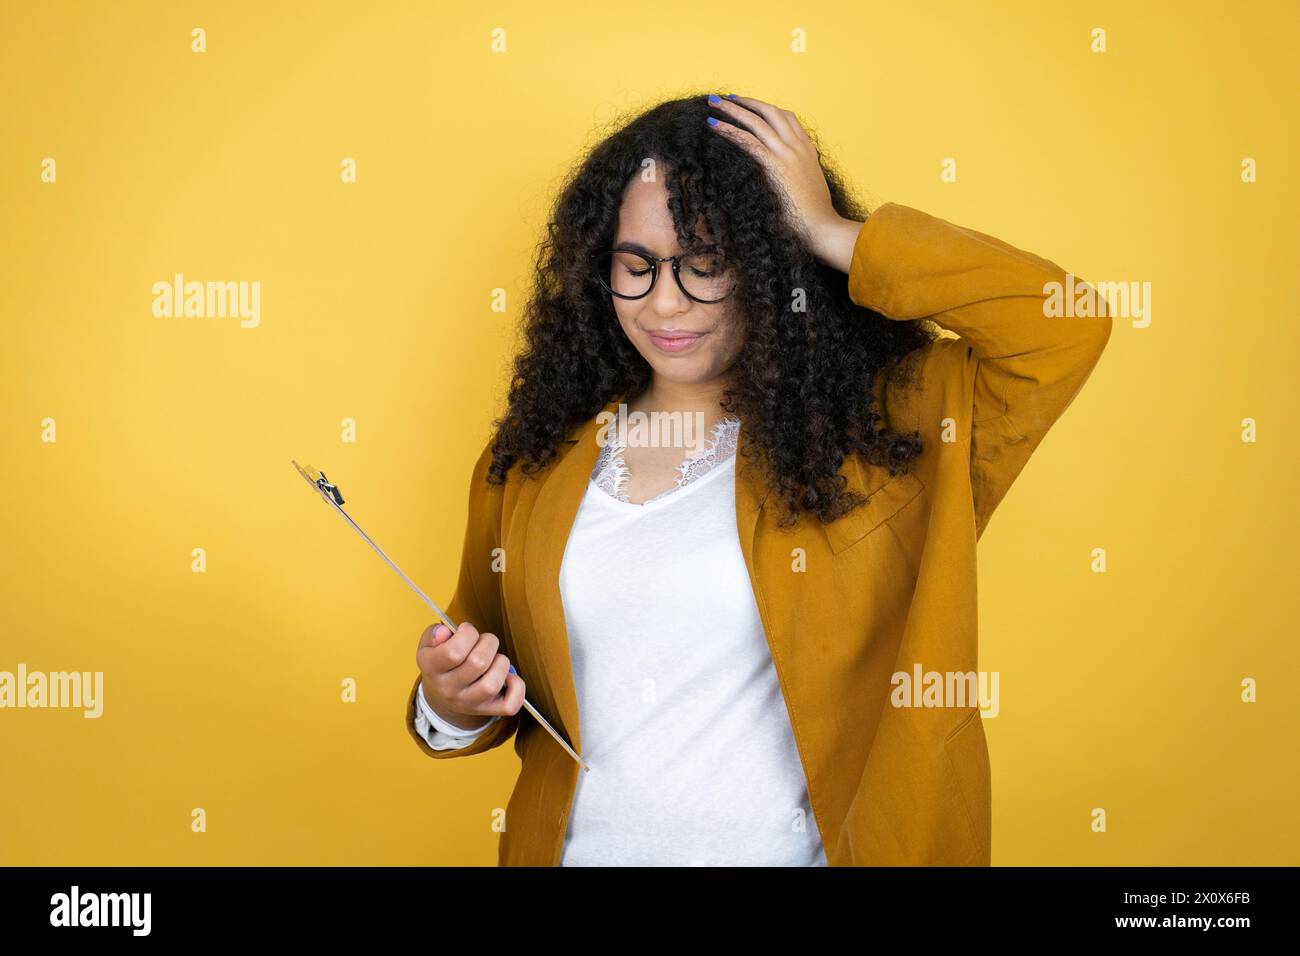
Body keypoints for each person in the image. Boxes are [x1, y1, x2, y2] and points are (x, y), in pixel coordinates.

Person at [406, 92, 1112, 866]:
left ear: (773, 266)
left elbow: (1062, 323)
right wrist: (449, 703)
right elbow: (480, 671)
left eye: (707, 264)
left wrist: (829, 231)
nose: (666, 301)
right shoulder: (534, 459)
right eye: (636, 266)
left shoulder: (894, 429)